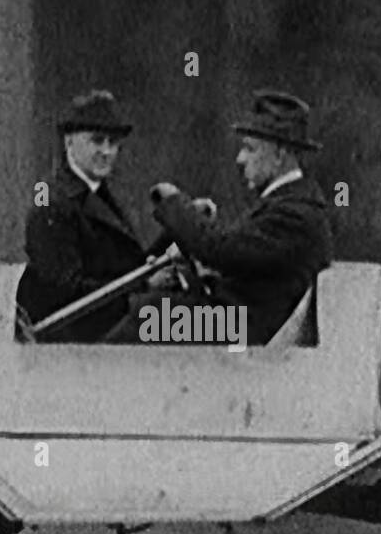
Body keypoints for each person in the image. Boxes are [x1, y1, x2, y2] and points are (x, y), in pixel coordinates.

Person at [106, 90, 333, 347]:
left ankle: (83, 380)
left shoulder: (295, 212)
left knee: (148, 315)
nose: (240, 159)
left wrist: (174, 203)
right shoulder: (291, 203)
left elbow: (221, 251)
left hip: (247, 329)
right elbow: (239, 261)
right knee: (155, 305)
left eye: (250, 149)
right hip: (240, 322)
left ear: (279, 154)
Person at [16, 90, 171, 343]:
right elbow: (64, 294)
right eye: (97, 141)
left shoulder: (99, 196)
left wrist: (178, 229)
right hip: (71, 349)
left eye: (113, 142)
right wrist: (144, 287)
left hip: (101, 339)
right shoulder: (52, 206)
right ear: (69, 143)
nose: (107, 151)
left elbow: (127, 268)